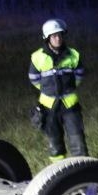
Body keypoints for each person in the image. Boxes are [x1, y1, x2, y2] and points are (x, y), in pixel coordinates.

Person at [28, 18, 88, 161]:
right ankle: (58, 170)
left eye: (60, 35)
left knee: (77, 138)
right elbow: (34, 78)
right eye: (54, 36)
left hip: (70, 105)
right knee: (55, 142)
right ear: (47, 38)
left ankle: (82, 167)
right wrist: (48, 91)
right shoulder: (38, 57)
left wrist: (69, 89)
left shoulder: (73, 54)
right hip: (48, 107)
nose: (58, 38)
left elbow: (79, 75)